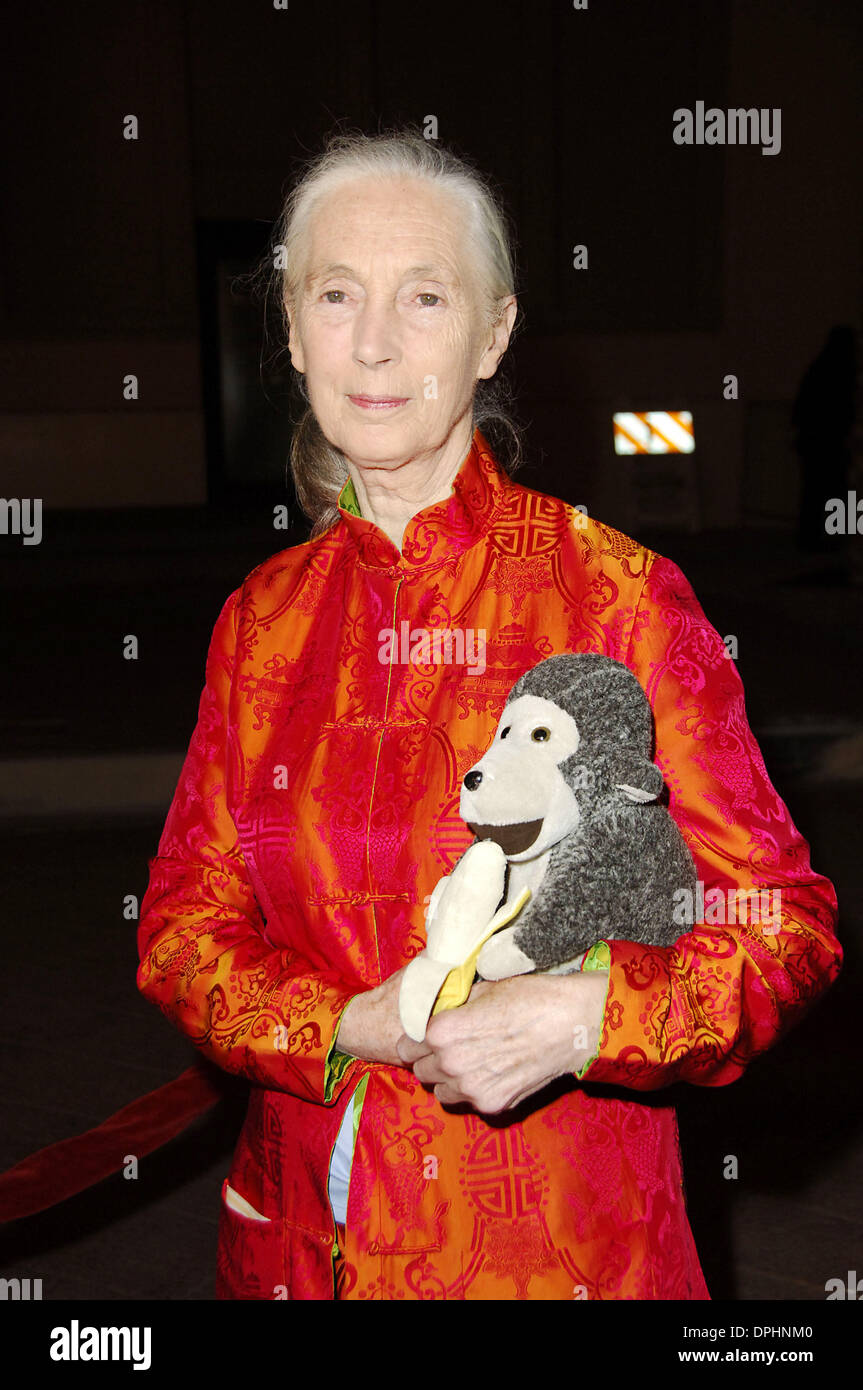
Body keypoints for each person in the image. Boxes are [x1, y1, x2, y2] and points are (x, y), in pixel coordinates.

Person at [136, 127, 842, 1301]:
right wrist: (338, 1021)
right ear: (293, 331)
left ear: (492, 333)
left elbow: (783, 927)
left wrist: (588, 1016)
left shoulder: (619, 595)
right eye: (335, 295)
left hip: (556, 1257)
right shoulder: (258, 623)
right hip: (305, 1254)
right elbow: (178, 927)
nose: (372, 342)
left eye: (423, 297)